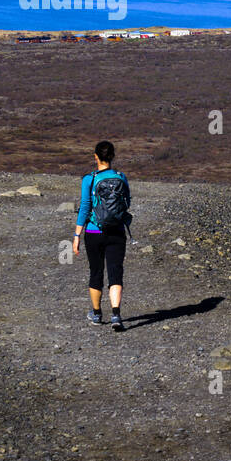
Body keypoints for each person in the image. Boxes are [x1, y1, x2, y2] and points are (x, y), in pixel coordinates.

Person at [73, 141, 131, 330]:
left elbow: (84, 207)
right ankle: (116, 315)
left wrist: (76, 235)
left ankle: (97, 314)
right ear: (112, 156)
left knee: (96, 271)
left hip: (93, 231)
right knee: (115, 272)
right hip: (117, 231)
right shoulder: (121, 177)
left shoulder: (89, 179)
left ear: (95, 156)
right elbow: (126, 202)